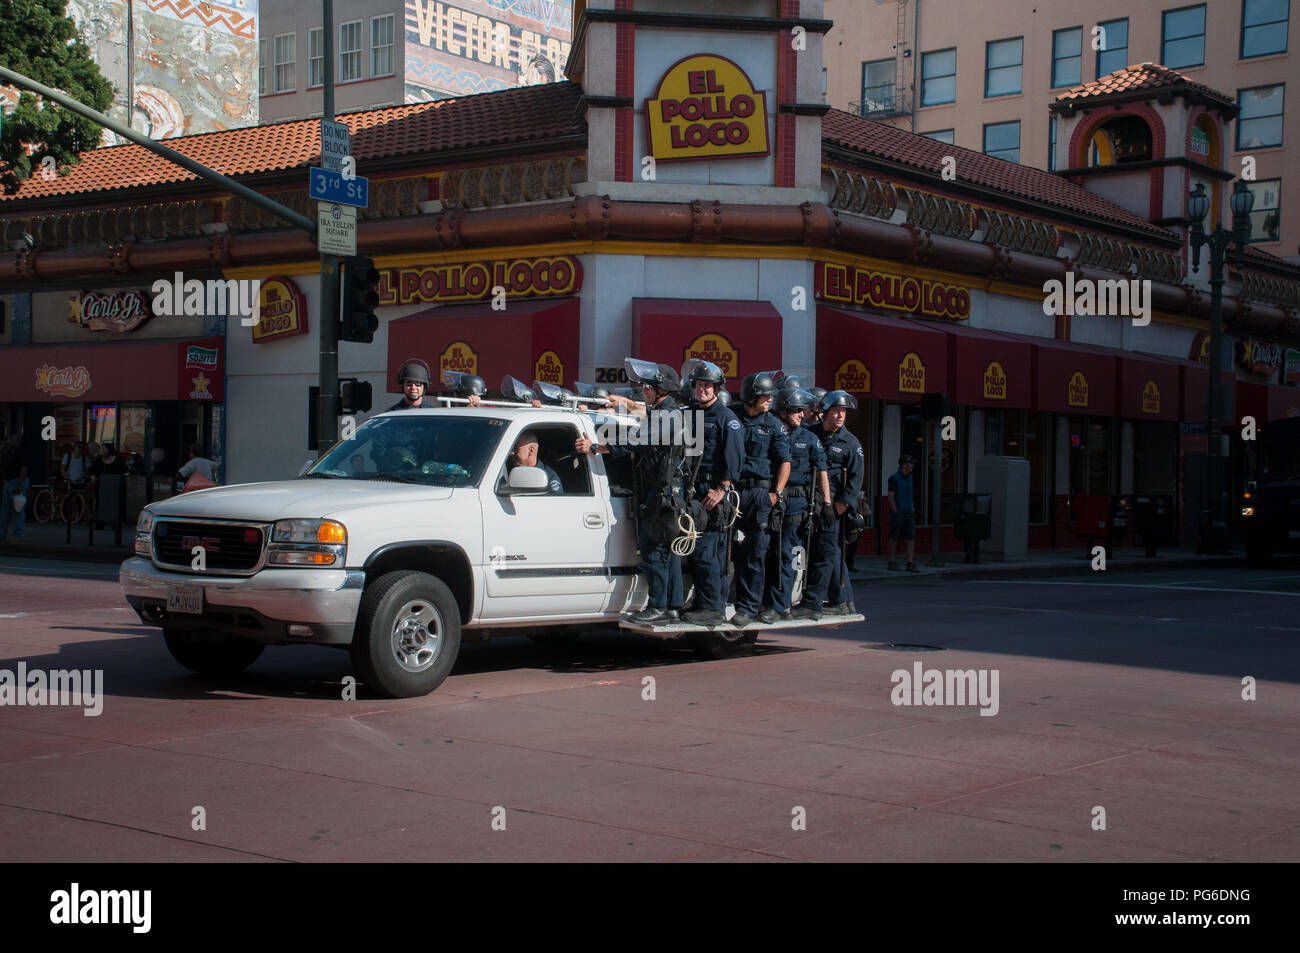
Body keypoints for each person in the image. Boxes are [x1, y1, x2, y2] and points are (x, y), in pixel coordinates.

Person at [577, 360, 688, 623]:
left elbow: (635, 439)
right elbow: (644, 414)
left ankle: (659, 607)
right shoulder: (665, 411)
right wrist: (626, 404)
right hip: (661, 492)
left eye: (648, 386)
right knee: (665, 550)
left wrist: (596, 447)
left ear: (662, 389)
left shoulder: (670, 415)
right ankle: (672, 607)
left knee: (654, 550)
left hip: (662, 495)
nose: (644, 390)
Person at [681, 361, 743, 625]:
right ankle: (702, 603)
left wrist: (722, 488)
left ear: (717, 389)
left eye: (707, 386)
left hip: (712, 491)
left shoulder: (727, 419)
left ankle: (713, 609)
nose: (702, 389)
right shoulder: (691, 413)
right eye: (698, 385)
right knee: (695, 552)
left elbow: (735, 458)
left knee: (708, 553)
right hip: (691, 490)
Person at [793, 390, 865, 620]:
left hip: (833, 504)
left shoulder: (851, 443)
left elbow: (855, 480)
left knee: (828, 552)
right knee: (826, 552)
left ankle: (833, 600)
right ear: (824, 413)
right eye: (836, 411)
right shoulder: (810, 433)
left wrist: (839, 507)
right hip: (808, 499)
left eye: (843, 412)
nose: (840, 416)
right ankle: (843, 600)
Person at [729, 372, 791, 628]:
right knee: (724, 551)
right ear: (752, 396)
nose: (769, 401)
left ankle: (748, 607)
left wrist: (775, 493)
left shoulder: (774, 424)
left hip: (760, 494)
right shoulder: (731, 416)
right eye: (766, 396)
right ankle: (716, 603)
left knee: (755, 553)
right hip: (732, 492)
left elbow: (784, 462)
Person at [762, 389, 829, 622]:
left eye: (803, 410)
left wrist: (827, 503)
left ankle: (779, 606)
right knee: (765, 552)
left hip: (796, 502)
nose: (802, 414)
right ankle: (764, 601)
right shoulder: (769, 431)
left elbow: (822, 472)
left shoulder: (810, 438)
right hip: (770, 497)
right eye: (797, 410)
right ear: (783, 411)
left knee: (787, 553)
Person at [887, 454, 919, 572]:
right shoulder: (894, 478)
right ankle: (891, 561)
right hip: (898, 512)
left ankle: (909, 562)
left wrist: (912, 508)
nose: (913, 466)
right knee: (894, 537)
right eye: (911, 464)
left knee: (910, 538)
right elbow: (891, 496)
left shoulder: (910, 477)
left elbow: (910, 495)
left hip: (909, 512)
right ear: (904, 465)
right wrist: (895, 512)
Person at [1, 436, 25, 541]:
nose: (9, 441)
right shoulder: (8, 452)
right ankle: (2, 533)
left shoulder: (21, 452)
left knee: (17, 509)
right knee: (5, 509)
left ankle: (19, 533)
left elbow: (24, 469)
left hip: (15, 480)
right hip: (8, 480)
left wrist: (19, 484)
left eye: (12, 440)